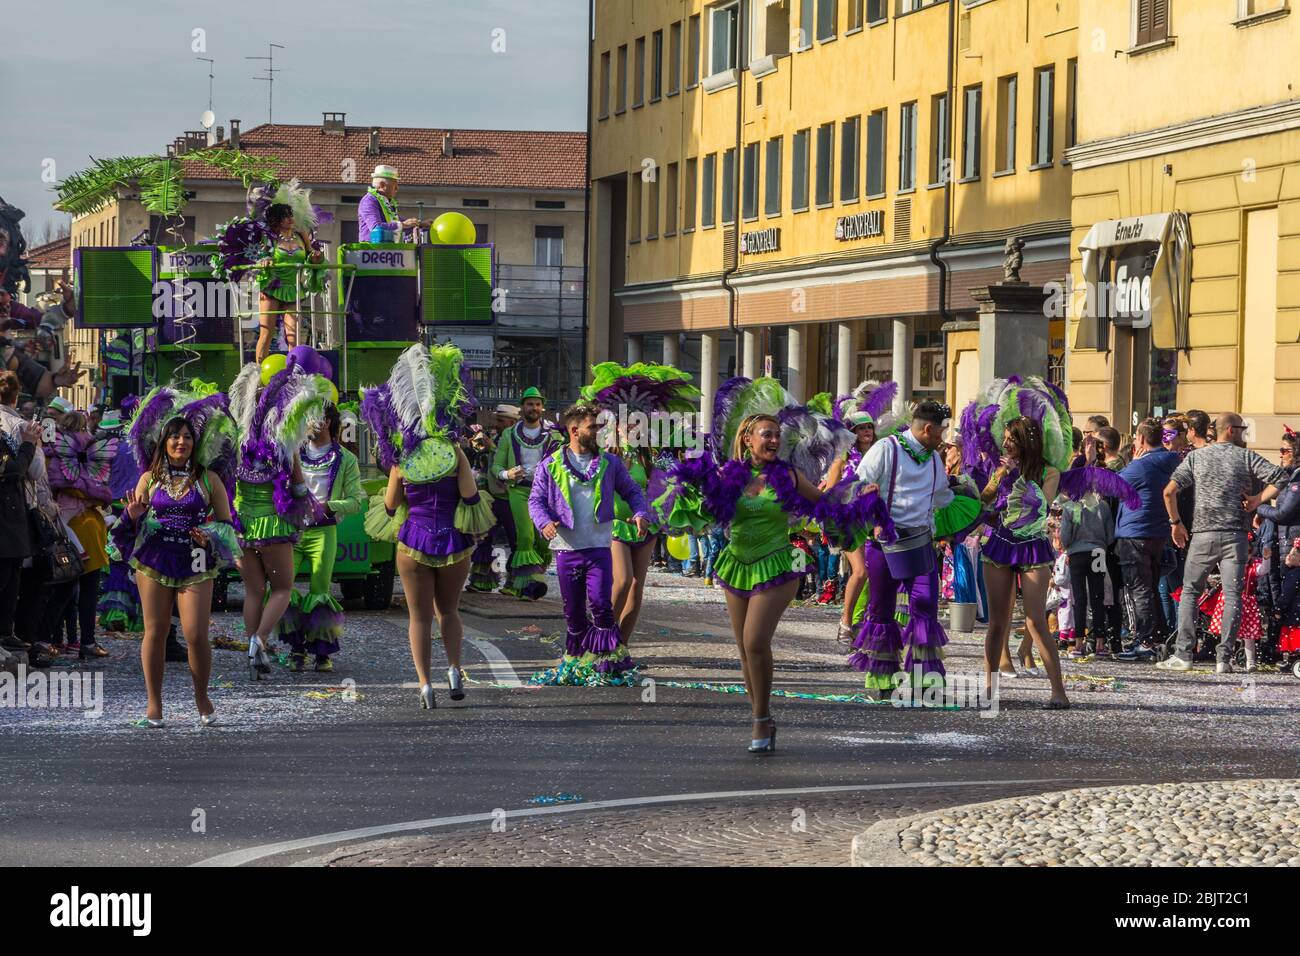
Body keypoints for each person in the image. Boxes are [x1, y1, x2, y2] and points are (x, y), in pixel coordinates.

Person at [667, 377, 884, 751]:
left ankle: (761, 720)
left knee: (755, 641)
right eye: (765, 435)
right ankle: (760, 716)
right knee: (744, 649)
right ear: (747, 438)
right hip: (735, 564)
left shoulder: (788, 476)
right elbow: (705, 509)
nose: (772, 441)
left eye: (776, 436)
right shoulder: (729, 477)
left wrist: (857, 496)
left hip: (776, 565)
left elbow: (823, 503)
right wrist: (686, 485)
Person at [362, 344, 494, 709]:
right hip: (453, 541)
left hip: (413, 542)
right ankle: (454, 669)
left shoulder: (402, 459)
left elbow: (389, 507)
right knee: (448, 611)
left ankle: (425, 685)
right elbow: (470, 499)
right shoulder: (456, 454)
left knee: (418, 618)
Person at [112, 388, 241, 728]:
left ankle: (202, 696)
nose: (181, 442)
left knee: (196, 633)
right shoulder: (149, 479)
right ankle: (154, 705)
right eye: (174, 437)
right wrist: (134, 513)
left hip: (195, 560)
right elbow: (129, 525)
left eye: (186, 437)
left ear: (194, 444)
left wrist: (210, 535)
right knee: (154, 631)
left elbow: (228, 524)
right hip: (154, 557)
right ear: (164, 443)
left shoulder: (208, 480)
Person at [578, 360, 700, 645]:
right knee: (621, 582)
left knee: (636, 587)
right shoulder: (605, 455)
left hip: (645, 527)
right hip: (615, 525)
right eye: (626, 421)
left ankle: (620, 646)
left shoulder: (652, 456)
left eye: (638, 421)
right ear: (615, 423)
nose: (631, 426)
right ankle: (598, 639)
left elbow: (667, 485)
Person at [528, 402, 650, 684]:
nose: (598, 432)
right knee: (573, 611)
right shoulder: (550, 465)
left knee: (601, 604)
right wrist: (544, 522)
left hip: (598, 548)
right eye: (592, 427)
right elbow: (535, 500)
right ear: (574, 430)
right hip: (566, 549)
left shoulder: (610, 464)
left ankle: (607, 662)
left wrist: (641, 512)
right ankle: (578, 659)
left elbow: (632, 491)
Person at [229, 356, 333, 679]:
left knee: (253, 592)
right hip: (273, 526)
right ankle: (259, 640)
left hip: (242, 527)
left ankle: (251, 650)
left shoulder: (238, 445)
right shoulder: (282, 447)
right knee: (283, 589)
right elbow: (300, 490)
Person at [1158, 412, 1286, 674]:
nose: (1244, 433)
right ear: (1230, 430)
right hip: (1236, 536)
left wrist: (1176, 523)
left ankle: (1184, 655)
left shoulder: (1196, 457)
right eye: (1241, 429)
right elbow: (1281, 478)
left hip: (1203, 534)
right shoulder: (1245, 456)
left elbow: (1169, 491)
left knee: (1191, 592)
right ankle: (1223, 659)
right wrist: (1257, 500)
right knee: (1232, 596)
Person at [851, 399, 960, 697]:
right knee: (882, 609)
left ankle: (924, 680)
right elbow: (857, 484)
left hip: (921, 542)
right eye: (940, 432)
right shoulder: (886, 449)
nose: (943, 438)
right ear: (927, 429)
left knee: (925, 604)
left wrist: (973, 497)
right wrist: (868, 499)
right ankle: (884, 679)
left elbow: (941, 498)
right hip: (884, 544)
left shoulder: (935, 459)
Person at [980, 416, 1070, 707]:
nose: (1006, 444)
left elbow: (1040, 506)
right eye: (1005, 438)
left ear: (1026, 442)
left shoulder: (1049, 472)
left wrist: (1017, 480)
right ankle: (989, 688)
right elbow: (984, 499)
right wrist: (999, 476)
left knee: (1035, 621)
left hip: (1032, 547)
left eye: (1012, 438)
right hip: (1001, 545)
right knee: (997, 623)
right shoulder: (1002, 468)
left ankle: (1058, 691)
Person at [279, 405, 367, 672]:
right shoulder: (292, 453)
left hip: (323, 531)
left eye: (315, 417)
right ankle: (296, 648)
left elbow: (356, 501)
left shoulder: (346, 460)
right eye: (306, 418)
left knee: (320, 592)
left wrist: (329, 506)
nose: (310, 423)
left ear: (329, 421)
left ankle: (321, 653)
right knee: (283, 589)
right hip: (292, 532)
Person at [825, 380, 899, 645]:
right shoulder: (842, 459)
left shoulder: (880, 456)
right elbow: (831, 490)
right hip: (847, 522)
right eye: (860, 428)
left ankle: (865, 622)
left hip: (873, 521)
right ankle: (845, 622)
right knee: (860, 572)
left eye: (869, 427)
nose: (866, 431)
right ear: (852, 432)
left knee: (880, 573)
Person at [1113, 419, 1182, 662]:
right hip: (1158, 532)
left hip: (1135, 532)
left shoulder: (1140, 466)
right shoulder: (1173, 460)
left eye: (1135, 438)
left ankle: (1145, 641)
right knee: (1151, 587)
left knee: (1139, 589)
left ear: (1142, 440)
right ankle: (1157, 637)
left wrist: (1134, 461)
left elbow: (1114, 486)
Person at [491, 387, 564, 599]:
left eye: (537, 404)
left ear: (542, 407)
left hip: (545, 494)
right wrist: (507, 473)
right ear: (522, 407)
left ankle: (519, 583)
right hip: (520, 492)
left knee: (543, 540)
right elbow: (496, 467)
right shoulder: (508, 435)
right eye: (530, 404)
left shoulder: (553, 435)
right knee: (525, 537)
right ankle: (529, 586)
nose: (534, 408)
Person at [0, 372, 40, 667]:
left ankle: (5, 632)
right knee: (4, 577)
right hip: (5, 514)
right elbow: (16, 469)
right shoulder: (17, 427)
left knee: (11, 575)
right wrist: (29, 443)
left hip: (10, 514)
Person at [254, 203, 325, 364]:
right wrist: (264, 260)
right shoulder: (269, 238)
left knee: (293, 335)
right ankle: (258, 372)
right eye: (286, 216)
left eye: (290, 214)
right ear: (277, 219)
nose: (290, 219)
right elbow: (259, 257)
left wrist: (315, 257)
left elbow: (310, 256)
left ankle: (295, 373)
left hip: (293, 290)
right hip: (272, 289)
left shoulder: (301, 236)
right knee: (266, 332)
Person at [1057, 487, 1114, 660]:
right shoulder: (1102, 506)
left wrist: (1068, 546)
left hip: (1077, 553)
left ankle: (1079, 643)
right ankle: (1100, 643)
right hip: (1097, 552)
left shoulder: (1071, 507)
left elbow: (1065, 536)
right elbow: (1110, 535)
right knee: (1098, 597)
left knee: (1079, 598)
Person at [357, 166, 428, 243]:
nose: (397, 188)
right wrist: (403, 224)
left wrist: (419, 224)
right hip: (371, 251)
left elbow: (394, 221)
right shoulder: (369, 201)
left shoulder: (387, 201)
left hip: (388, 249)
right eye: (395, 185)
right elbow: (376, 227)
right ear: (382, 185)